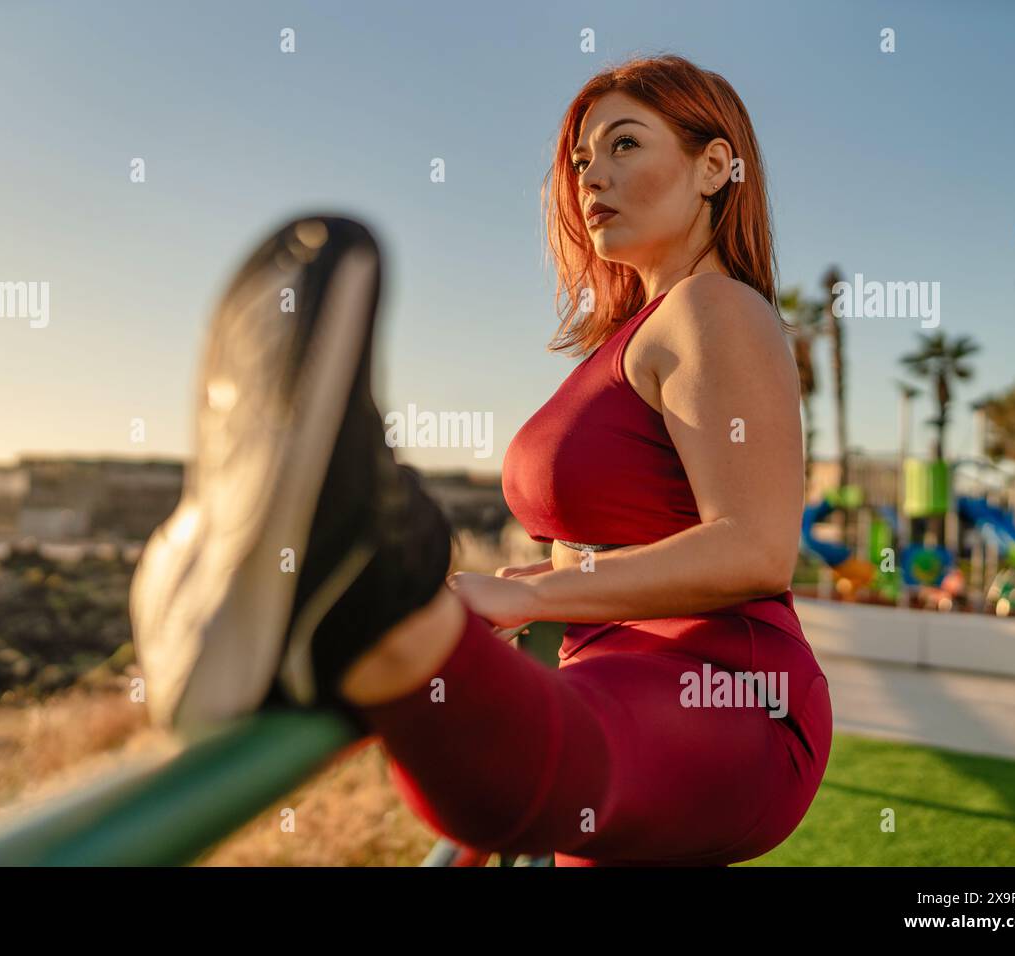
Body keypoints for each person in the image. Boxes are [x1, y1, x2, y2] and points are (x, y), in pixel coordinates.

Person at [131, 54, 832, 867]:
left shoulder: (717, 307)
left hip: (727, 687)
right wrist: (519, 590)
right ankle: (331, 589)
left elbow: (754, 546)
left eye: (624, 145)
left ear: (714, 166)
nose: (590, 177)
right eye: (578, 162)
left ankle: (365, 586)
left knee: (528, 778)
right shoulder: (620, 347)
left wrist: (514, 593)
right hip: (606, 671)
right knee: (515, 786)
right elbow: (599, 554)